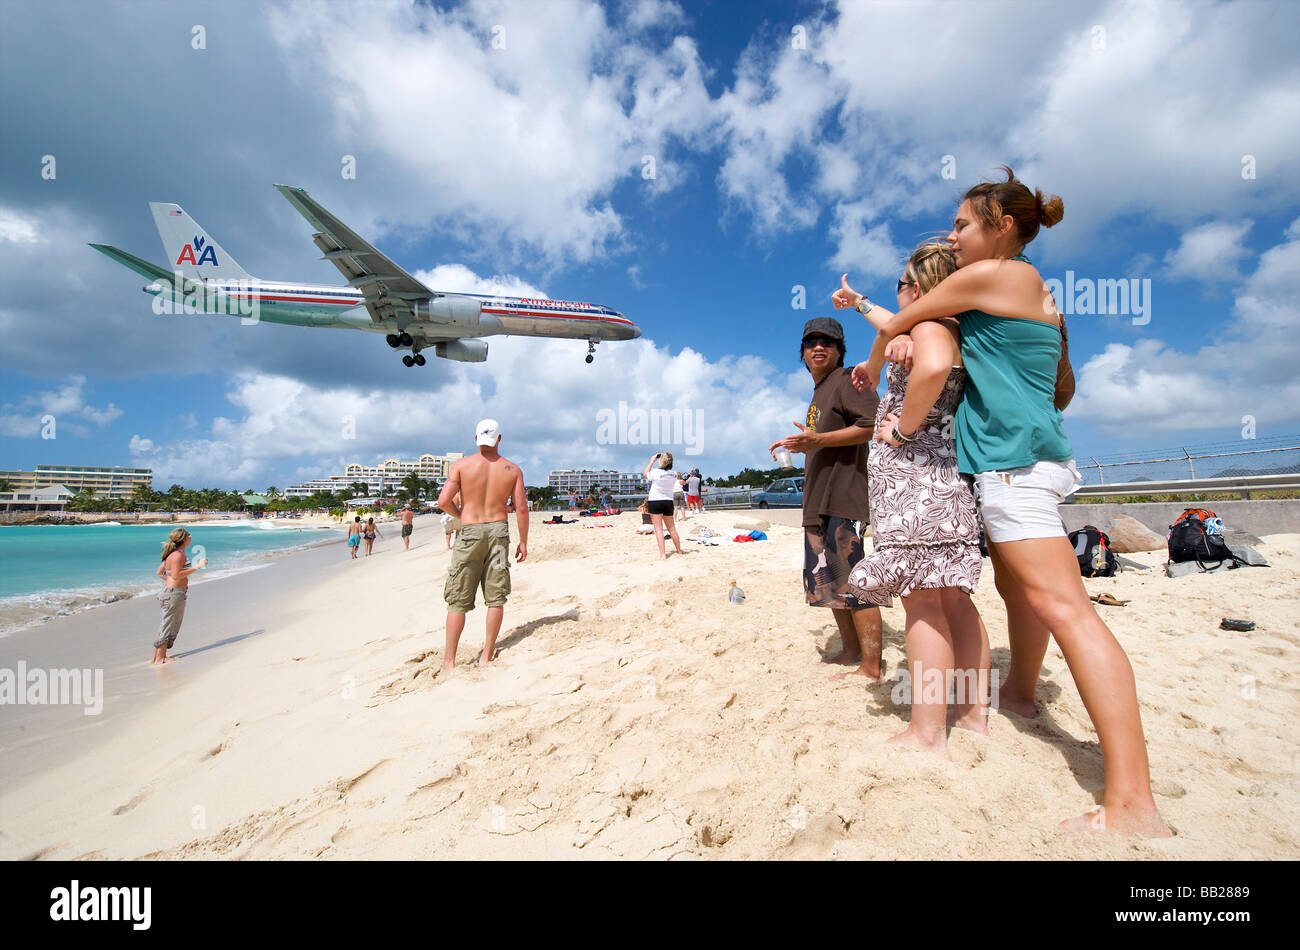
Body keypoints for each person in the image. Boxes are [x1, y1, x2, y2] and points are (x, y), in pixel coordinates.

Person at [855, 166, 1166, 837]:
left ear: (1000, 227)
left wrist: (896, 381)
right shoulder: (1031, 293)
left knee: (1070, 614)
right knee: (1030, 598)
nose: (956, 237)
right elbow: (1053, 382)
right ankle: (1019, 697)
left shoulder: (1000, 275)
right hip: (1031, 462)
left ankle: (1133, 804)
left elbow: (910, 315)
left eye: (963, 225)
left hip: (1014, 471)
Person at [834, 242, 991, 749]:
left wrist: (901, 430)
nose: (896, 294)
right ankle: (973, 716)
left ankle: (926, 731)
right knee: (955, 600)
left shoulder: (928, 328)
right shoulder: (951, 325)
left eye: (900, 284)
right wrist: (861, 305)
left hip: (913, 483)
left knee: (921, 602)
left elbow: (932, 365)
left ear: (919, 289)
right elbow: (889, 325)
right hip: (945, 479)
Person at [769, 317, 884, 680]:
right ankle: (850, 651)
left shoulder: (850, 379)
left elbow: (871, 426)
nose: (818, 347)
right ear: (802, 353)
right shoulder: (819, 393)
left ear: (839, 350)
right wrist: (802, 445)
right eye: (811, 342)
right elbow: (827, 441)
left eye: (828, 342)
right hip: (817, 500)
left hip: (844, 495)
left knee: (853, 581)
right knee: (826, 582)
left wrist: (817, 441)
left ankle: (871, 666)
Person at [437, 419, 529, 673]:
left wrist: (460, 515)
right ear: (500, 439)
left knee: (458, 599)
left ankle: (449, 663)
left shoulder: (462, 465)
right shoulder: (512, 469)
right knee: (496, 596)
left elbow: (443, 500)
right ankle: (486, 655)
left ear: (475, 438)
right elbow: (521, 508)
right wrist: (523, 541)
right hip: (498, 533)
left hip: (469, 533)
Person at [153, 527, 206, 665]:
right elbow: (176, 575)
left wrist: (170, 579)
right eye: (189, 535)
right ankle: (160, 658)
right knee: (168, 624)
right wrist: (197, 567)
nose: (191, 536)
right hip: (174, 594)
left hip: (173, 592)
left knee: (168, 624)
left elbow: (160, 573)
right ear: (183, 538)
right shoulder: (178, 555)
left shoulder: (172, 554)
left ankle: (158, 656)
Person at [642, 451, 687, 559]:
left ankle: (663, 554)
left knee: (658, 529)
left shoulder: (655, 472)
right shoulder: (674, 473)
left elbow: (645, 474)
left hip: (655, 501)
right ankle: (679, 551)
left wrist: (652, 460)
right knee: (672, 528)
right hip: (668, 501)